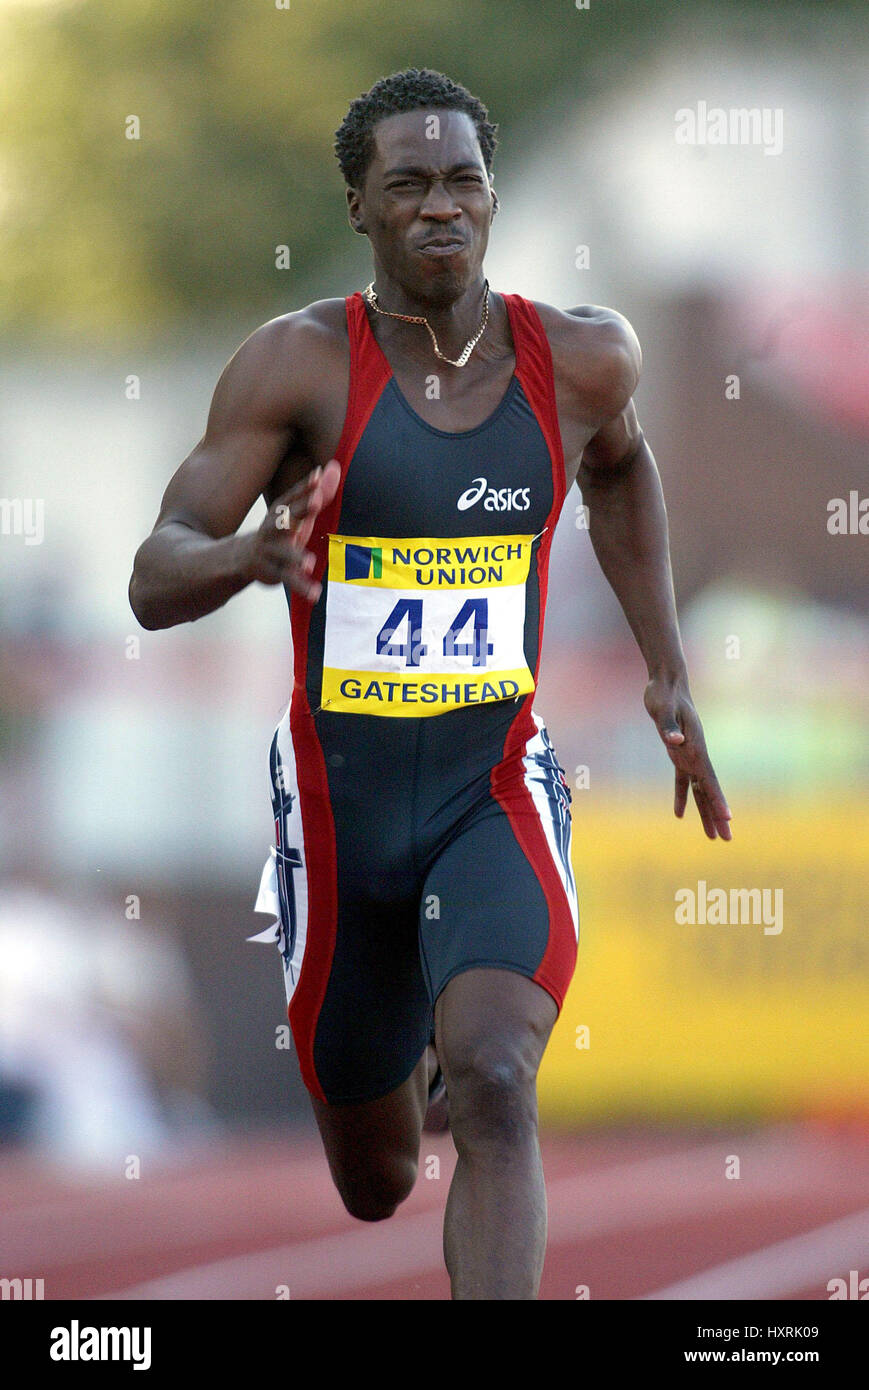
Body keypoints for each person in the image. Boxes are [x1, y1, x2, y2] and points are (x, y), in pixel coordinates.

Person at [129, 67, 731, 1300]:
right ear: (358, 207)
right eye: (408, 185)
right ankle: (396, 1036)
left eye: (462, 181)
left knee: (500, 1082)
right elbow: (152, 573)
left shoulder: (578, 358)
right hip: (341, 806)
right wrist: (250, 554)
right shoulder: (294, 368)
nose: (440, 207)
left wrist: (667, 675)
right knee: (376, 1181)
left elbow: (619, 471)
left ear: (493, 197)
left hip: (490, 783)